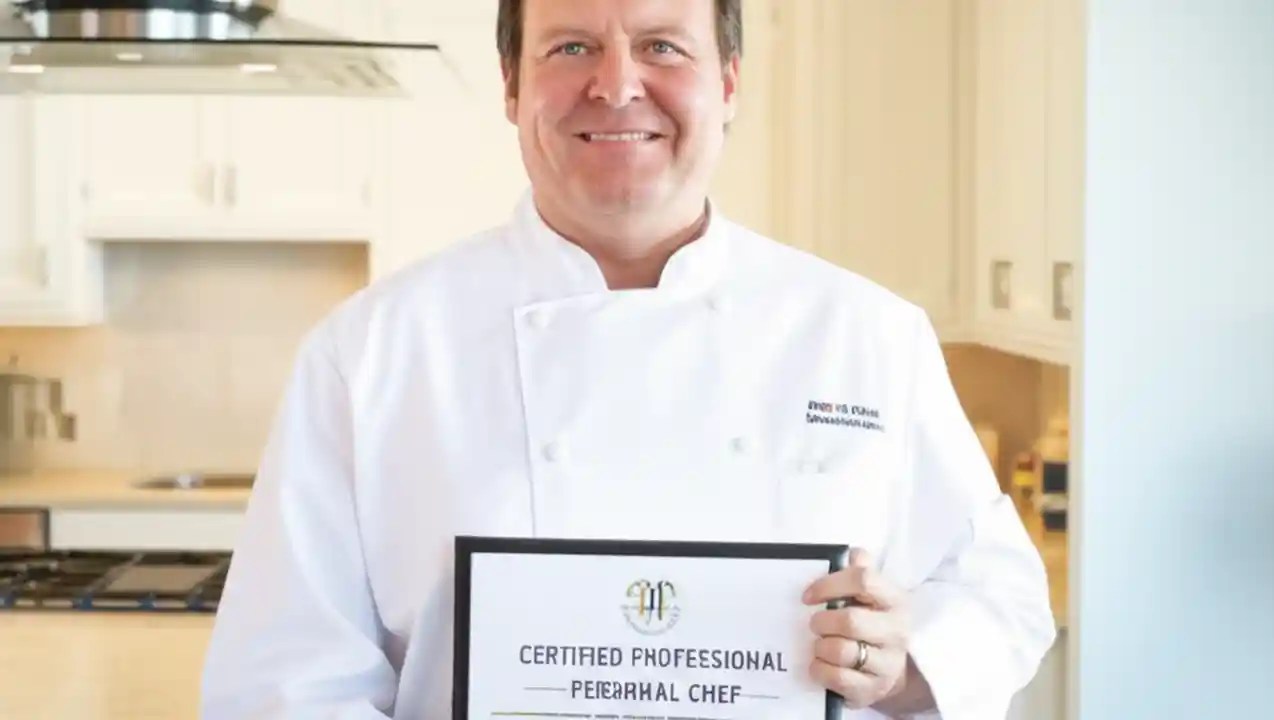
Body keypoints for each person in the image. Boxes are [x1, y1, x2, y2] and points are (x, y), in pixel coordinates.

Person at [199, 0, 1057, 717]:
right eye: (571, 47)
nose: (615, 84)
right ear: (511, 86)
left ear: (727, 84)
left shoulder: (866, 334)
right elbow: (284, 679)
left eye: (661, 46)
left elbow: (1001, 597)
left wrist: (902, 667)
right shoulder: (373, 351)